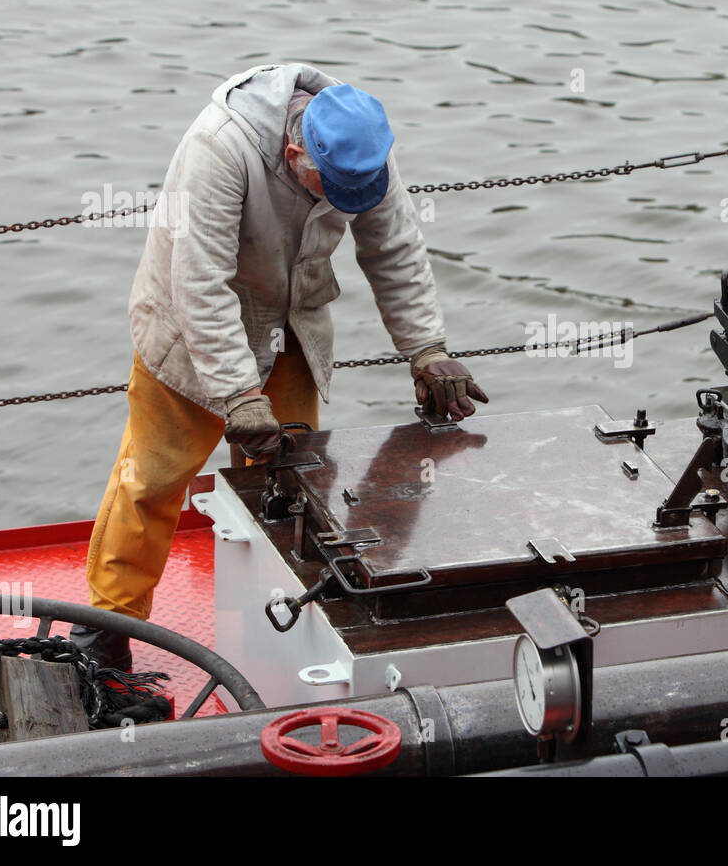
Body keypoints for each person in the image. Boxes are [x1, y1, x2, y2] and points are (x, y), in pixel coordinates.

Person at [74, 63, 488, 670]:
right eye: (330, 189)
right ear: (295, 151)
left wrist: (426, 349)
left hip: (288, 324)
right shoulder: (219, 148)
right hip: (191, 331)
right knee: (154, 479)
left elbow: (394, 247)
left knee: (293, 487)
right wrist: (239, 392)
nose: (342, 202)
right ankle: (105, 628)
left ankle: (275, 626)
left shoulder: (361, 149)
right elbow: (199, 283)